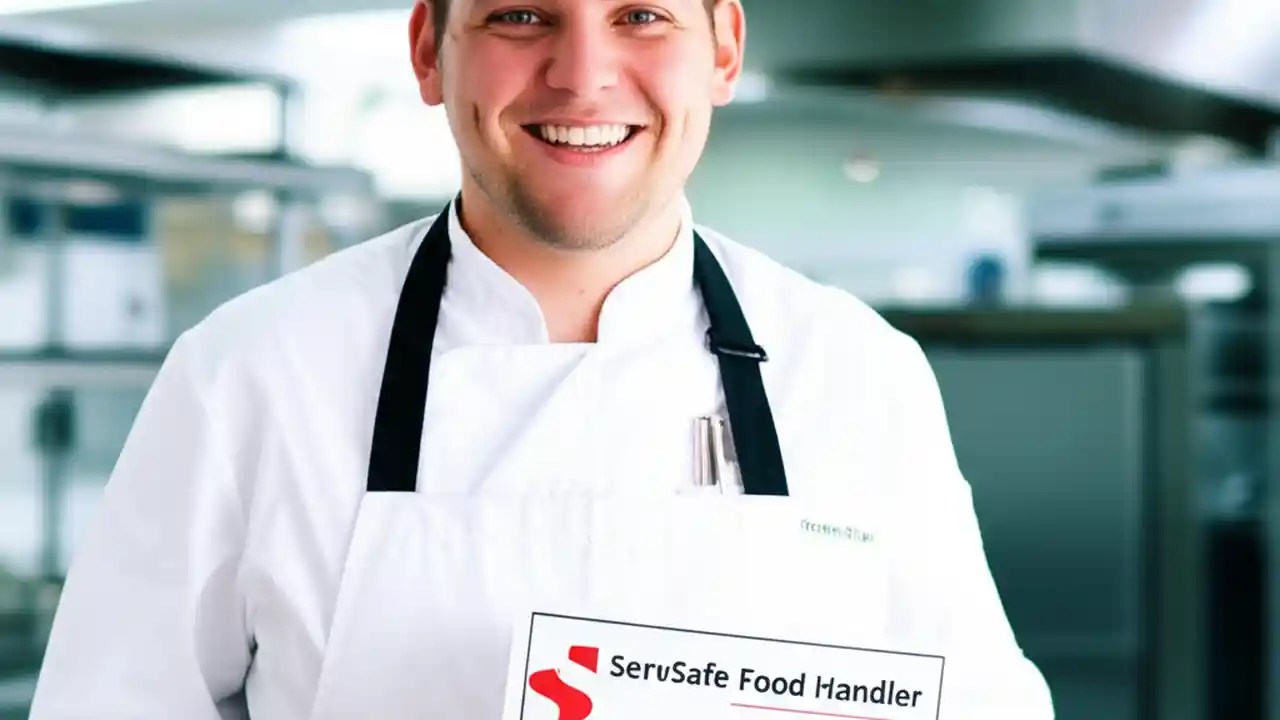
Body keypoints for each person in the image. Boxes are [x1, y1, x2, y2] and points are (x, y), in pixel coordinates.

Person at [30, 0, 1054, 717]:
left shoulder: (858, 375)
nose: (582, 74)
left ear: (724, 49)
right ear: (429, 50)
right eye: (521, 15)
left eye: (640, 16)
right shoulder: (250, 375)